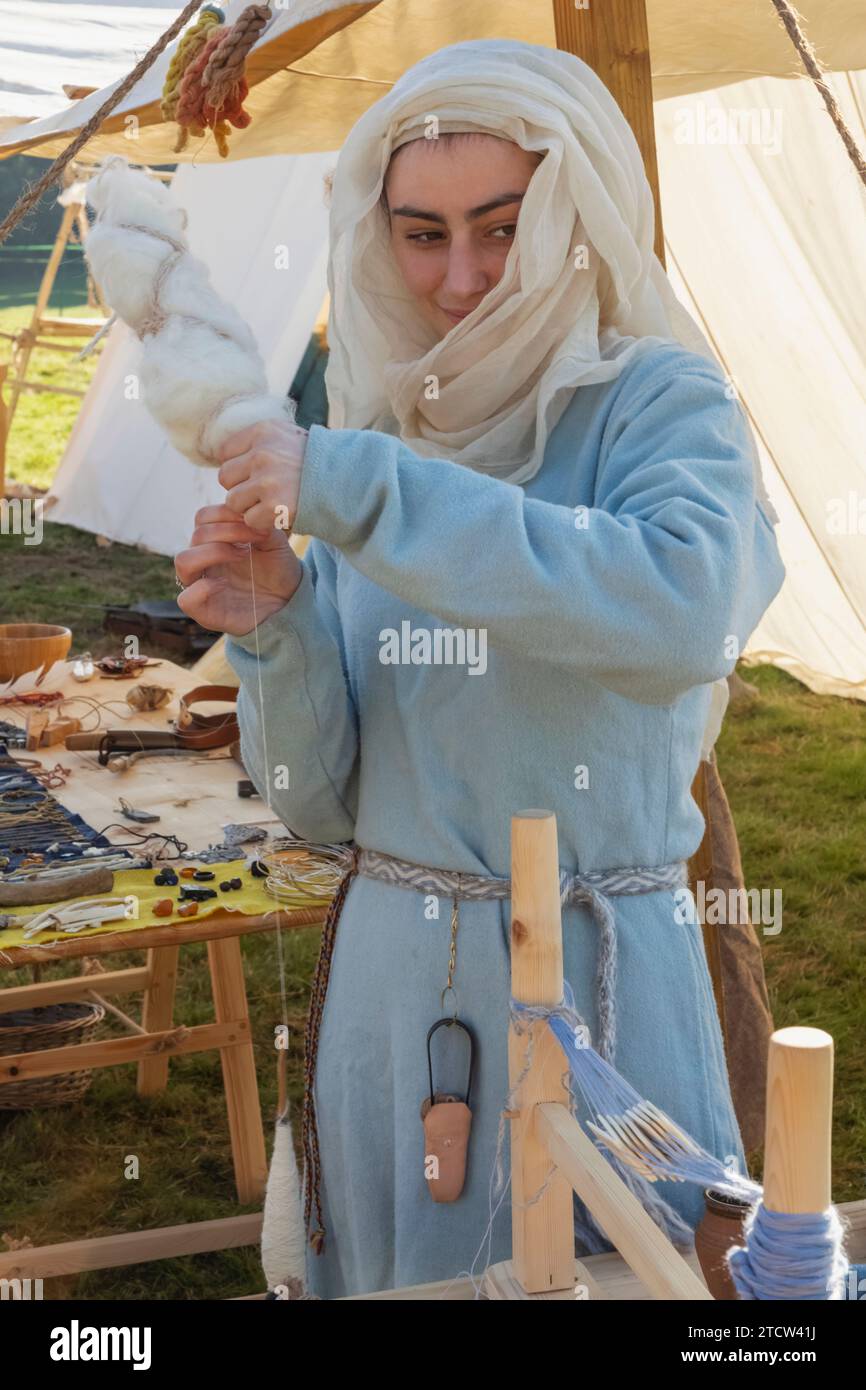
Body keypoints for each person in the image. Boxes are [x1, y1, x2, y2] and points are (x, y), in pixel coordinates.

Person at [175, 39, 785, 1298]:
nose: (457, 279)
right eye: (420, 233)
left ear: (577, 215)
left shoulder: (657, 406)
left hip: (601, 996)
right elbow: (323, 804)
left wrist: (358, 490)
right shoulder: (384, 424)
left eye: (501, 228)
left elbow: (677, 612)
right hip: (396, 1002)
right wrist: (279, 625)